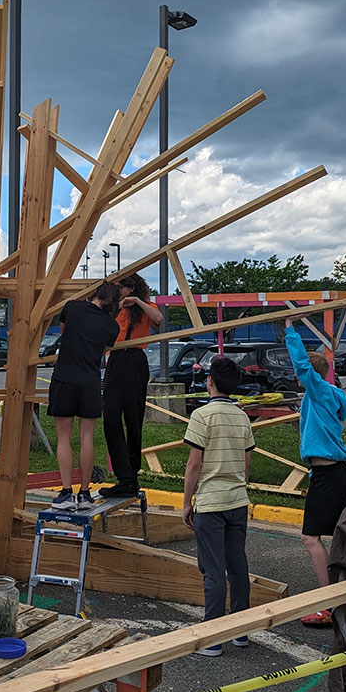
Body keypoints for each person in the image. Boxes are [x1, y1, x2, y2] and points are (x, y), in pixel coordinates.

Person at [181, 356, 255, 656]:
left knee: (212, 570)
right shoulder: (242, 416)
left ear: (209, 381)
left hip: (210, 502)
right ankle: (240, 630)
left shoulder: (201, 416)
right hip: (237, 500)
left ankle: (212, 637)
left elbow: (194, 463)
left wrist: (186, 502)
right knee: (237, 565)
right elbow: (247, 462)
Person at [283, 318, 346, 627]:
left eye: (302, 376)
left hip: (328, 475)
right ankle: (343, 592)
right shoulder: (329, 396)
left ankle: (329, 602)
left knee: (311, 537)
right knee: (337, 534)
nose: (298, 380)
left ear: (312, 375)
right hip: (331, 473)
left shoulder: (320, 391)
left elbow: (302, 366)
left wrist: (289, 329)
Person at [47, 282, 122, 510]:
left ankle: (66, 492)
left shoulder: (73, 308)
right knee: (87, 437)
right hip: (89, 381)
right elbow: (102, 350)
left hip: (64, 378)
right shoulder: (112, 325)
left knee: (64, 437)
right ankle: (85, 493)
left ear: (95, 294)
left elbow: (63, 331)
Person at [100, 272, 163, 498]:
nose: (119, 292)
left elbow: (158, 319)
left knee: (133, 418)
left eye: (122, 288)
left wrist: (137, 301)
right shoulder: (114, 308)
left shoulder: (144, 305)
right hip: (115, 359)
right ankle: (123, 474)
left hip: (135, 359)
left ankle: (131, 476)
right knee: (110, 416)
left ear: (131, 288)